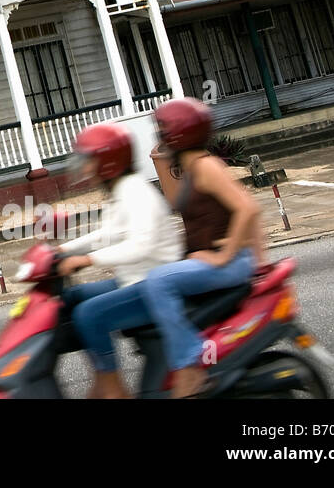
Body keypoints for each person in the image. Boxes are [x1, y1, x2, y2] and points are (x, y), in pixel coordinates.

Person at [142, 97, 264, 398]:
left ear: (178, 134)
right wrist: (160, 158)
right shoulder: (191, 168)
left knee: (158, 282)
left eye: (163, 130)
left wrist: (224, 254)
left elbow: (248, 209)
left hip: (232, 263)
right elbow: (175, 203)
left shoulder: (207, 167)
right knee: (152, 278)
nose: (159, 136)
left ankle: (189, 367)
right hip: (213, 260)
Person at [56, 122, 184, 398]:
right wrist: (63, 250)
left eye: (90, 162)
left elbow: (140, 244)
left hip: (152, 283)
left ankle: (113, 388)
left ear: (107, 162)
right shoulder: (122, 190)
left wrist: (87, 260)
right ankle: (100, 378)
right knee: (73, 297)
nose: (86, 169)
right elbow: (110, 234)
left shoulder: (134, 192)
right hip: (134, 279)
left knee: (88, 314)